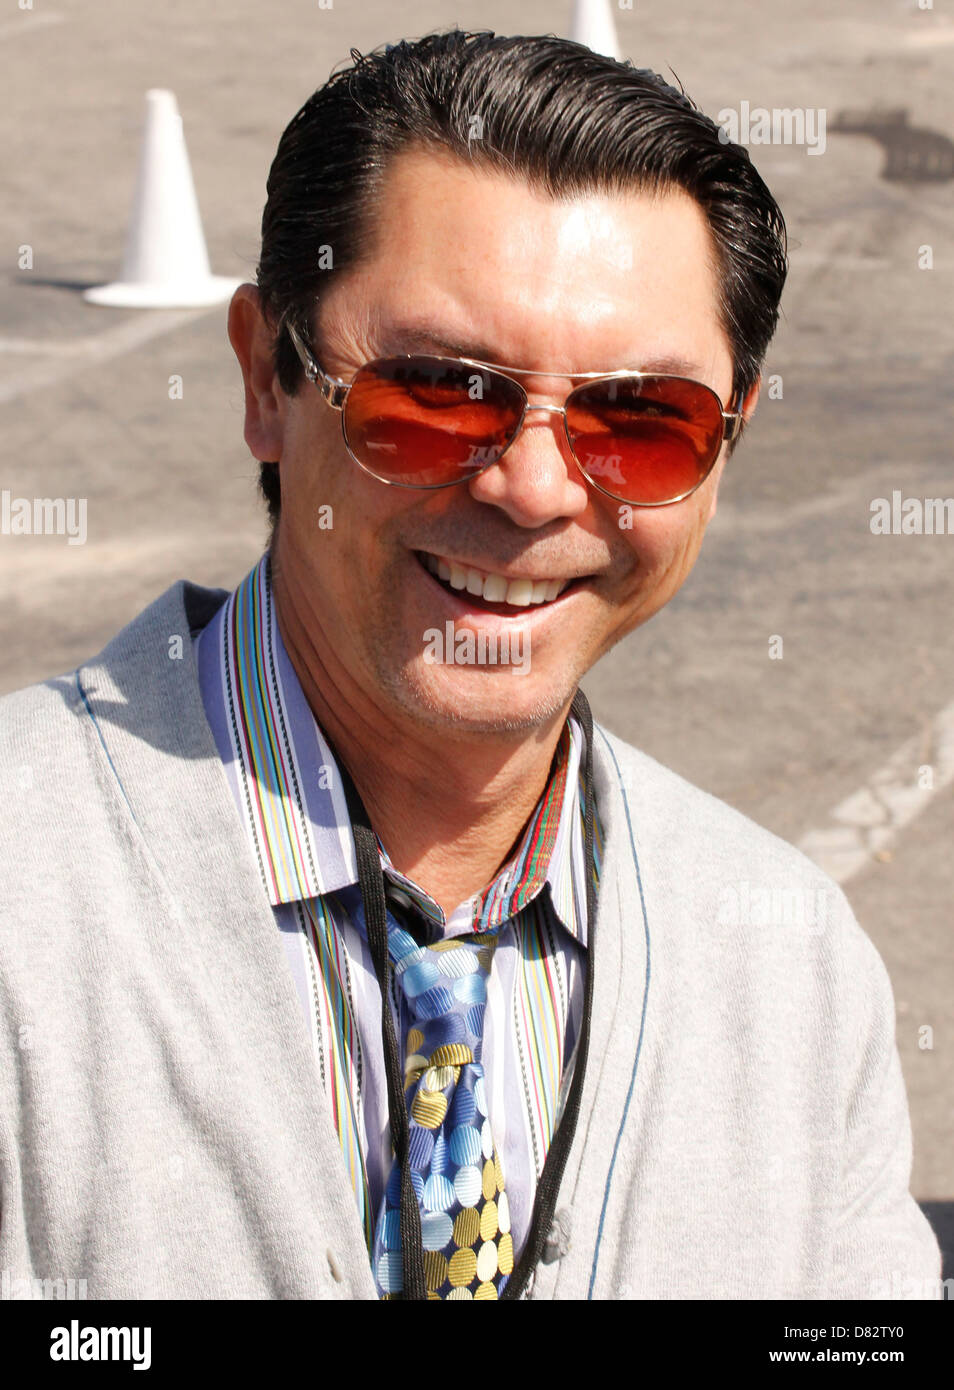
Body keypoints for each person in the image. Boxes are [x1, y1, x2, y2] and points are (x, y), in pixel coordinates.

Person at [0, 30, 940, 1302]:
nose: (535, 486)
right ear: (265, 378)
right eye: (437, 390)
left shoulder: (794, 977)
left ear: (731, 442)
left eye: (641, 420)